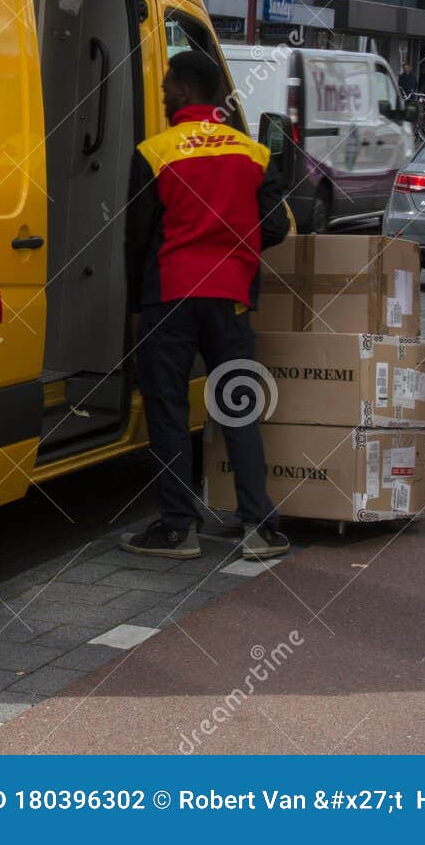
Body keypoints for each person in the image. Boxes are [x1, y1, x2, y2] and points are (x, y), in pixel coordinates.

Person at [122, 49, 294, 561]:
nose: (161, 91)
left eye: (167, 84)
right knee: (237, 406)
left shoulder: (155, 152)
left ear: (183, 92)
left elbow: (137, 239)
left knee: (169, 407)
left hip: (171, 295)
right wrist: (234, 241)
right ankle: (259, 528)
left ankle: (178, 529)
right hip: (231, 299)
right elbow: (278, 227)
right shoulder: (253, 154)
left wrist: (135, 305)